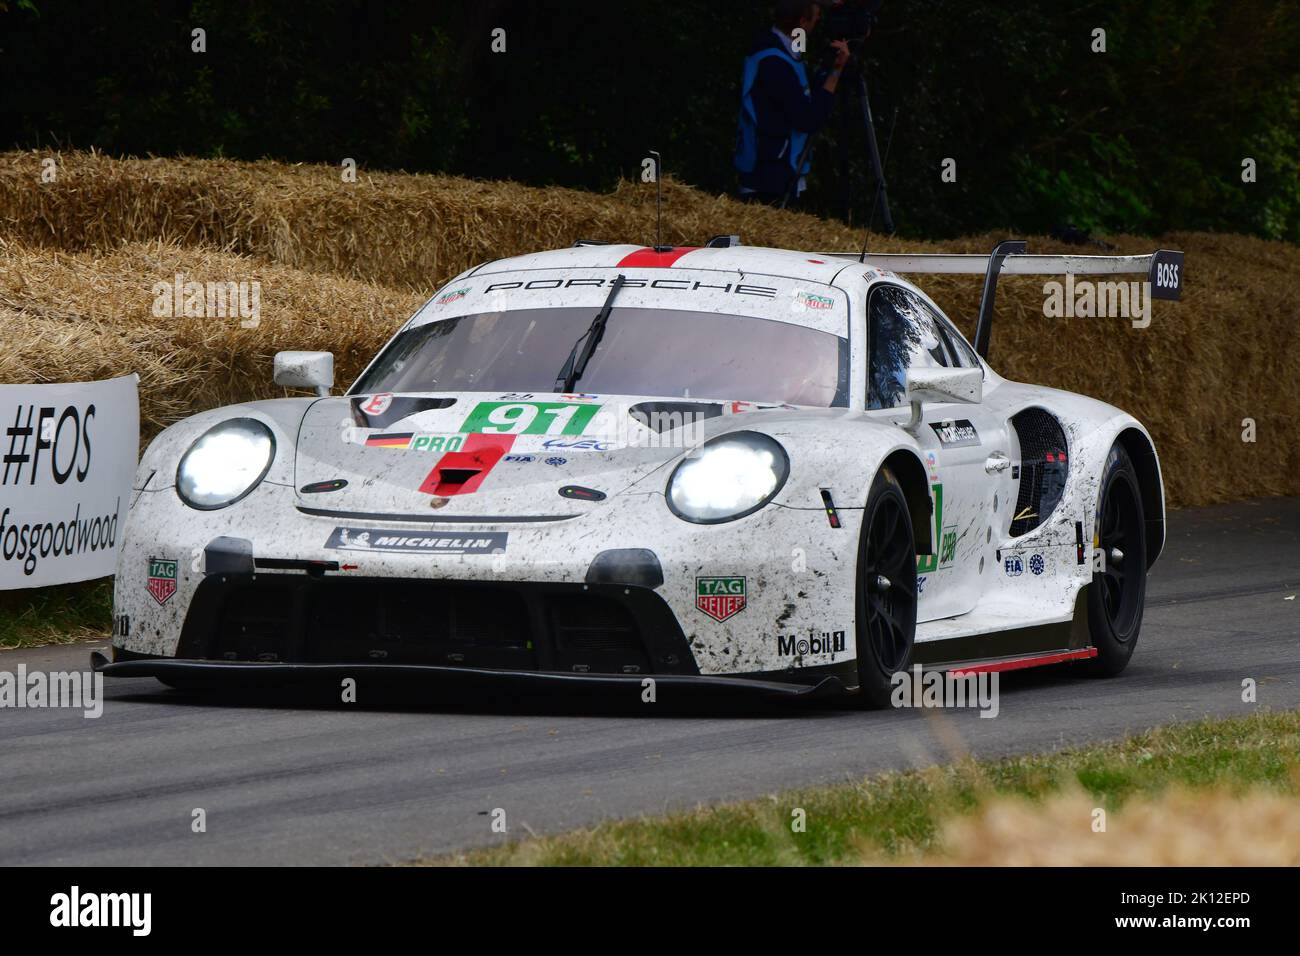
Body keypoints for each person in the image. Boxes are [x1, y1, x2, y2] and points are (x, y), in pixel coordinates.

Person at [734, 0, 851, 207]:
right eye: (815, 20)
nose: (816, 26)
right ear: (802, 22)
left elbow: (800, 95)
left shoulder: (776, 51)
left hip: (771, 170)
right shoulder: (775, 62)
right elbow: (808, 119)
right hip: (770, 179)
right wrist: (836, 73)